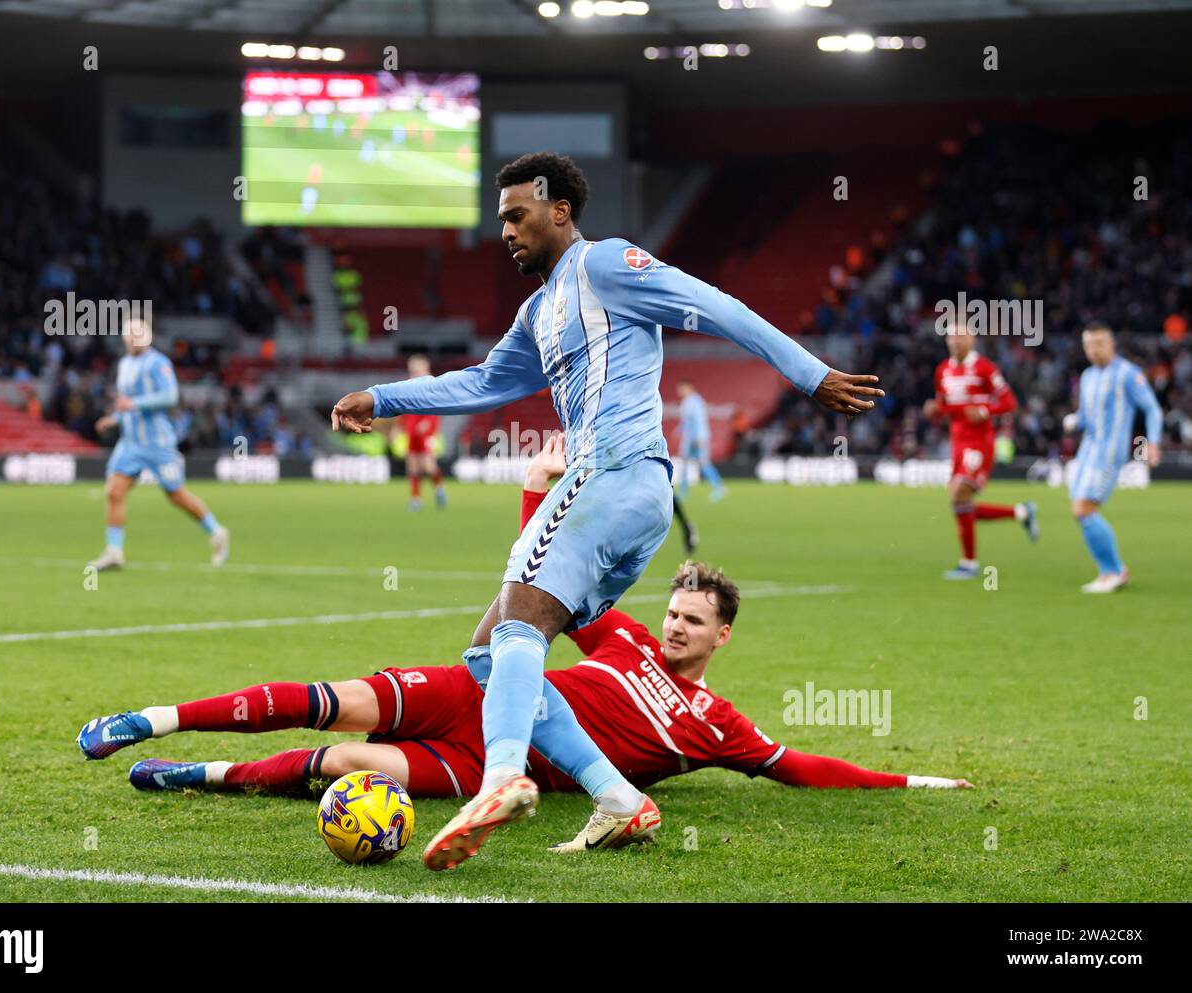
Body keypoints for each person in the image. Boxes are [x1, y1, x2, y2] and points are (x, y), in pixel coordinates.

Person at [330, 152, 884, 871]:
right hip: (630, 500)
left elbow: (716, 306)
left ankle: (501, 777)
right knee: (487, 653)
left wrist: (809, 374)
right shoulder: (539, 310)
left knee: (518, 627)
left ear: (560, 209)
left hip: (610, 477)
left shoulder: (608, 265)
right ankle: (615, 795)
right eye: (500, 218)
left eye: (517, 214)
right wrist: (386, 396)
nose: (506, 230)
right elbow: (482, 382)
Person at [78, 436, 970, 850]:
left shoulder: (713, 725)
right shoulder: (621, 641)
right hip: (474, 697)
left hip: (484, 770)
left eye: (692, 621)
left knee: (341, 761)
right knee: (336, 695)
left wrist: (913, 778)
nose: (672, 624)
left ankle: (195, 777)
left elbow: (800, 766)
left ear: (721, 637)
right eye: (672, 610)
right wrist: (532, 494)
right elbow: (536, 588)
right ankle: (151, 722)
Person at [87, 319, 230, 571]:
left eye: (138, 332)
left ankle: (216, 531)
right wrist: (114, 418)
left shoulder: (159, 363)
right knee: (114, 491)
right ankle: (114, 552)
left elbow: (169, 396)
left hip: (157, 443)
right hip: (130, 442)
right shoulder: (124, 364)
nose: (133, 337)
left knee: (176, 496)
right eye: (129, 333)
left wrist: (133, 405)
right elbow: (125, 402)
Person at [922, 324, 1037, 580]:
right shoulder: (943, 371)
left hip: (980, 441)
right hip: (957, 442)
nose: (956, 341)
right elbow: (945, 406)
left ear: (972, 339)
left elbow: (1009, 402)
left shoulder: (985, 368)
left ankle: (970, 564)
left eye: (961, 336)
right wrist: (934, 410)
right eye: (951, 336)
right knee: (961, 502)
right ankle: (1021, 513)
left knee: (959, 494)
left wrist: (985, 411)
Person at [1062, 322, 1163, 593]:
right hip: (1087, 451)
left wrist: (1152, 442)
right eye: (1088, 345)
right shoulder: (1087, 377)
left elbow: (1152, 409)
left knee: (1083, 509)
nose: (1093, 350)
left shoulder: (1128, 374)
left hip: (1109, 454)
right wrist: (1074, 421)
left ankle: (1113, 571)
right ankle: (1112, 570)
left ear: (1110, 344)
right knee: (1080, 511)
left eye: (1099, 344)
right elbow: (1086, 416)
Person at [399, 354, 447, 511]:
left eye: (416, 370)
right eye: (412, 370)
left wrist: (429, 423)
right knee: (412, 465)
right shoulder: (408, 386)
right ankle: (416, 498)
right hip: (412, 432)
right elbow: (404, 410)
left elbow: (436, 408)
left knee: (428, 464)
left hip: (426, 433)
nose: (414, 373)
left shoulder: (430, 386)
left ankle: (439, 489)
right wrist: (399, 427)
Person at [676, 380, 726, 502]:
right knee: (684, 464)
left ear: (689, 388)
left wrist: (699, 437)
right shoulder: (687, 402)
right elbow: (687, 421)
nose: (679, 392)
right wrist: (679, 430)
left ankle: (719, 488)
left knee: (704, 463)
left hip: (697, 438)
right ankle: (683, 492)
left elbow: (699, 420)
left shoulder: (696, 401)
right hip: (688, 438)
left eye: (682, 389)